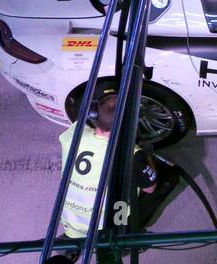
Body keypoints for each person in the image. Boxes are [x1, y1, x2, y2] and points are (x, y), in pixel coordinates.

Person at [58, 94, 179, 241]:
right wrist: (146, 155)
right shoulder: (131, 155)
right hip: (109, 228)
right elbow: (150, 188)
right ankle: (124, 237)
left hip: (71, 223)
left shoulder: (74, 135)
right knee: (169, 179)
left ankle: (73, 243)